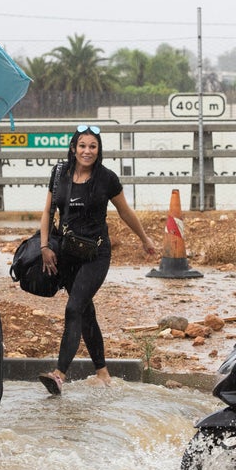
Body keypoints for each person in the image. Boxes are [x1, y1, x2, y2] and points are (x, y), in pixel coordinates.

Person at [35, 125, 158, 395]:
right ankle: (103, 374)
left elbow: (125, 211)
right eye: (82, 146)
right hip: (66, 255)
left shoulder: (107, 179)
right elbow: (47, 211)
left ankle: (59, 374)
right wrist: (45, 246)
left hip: (96, 255)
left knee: (73, 308)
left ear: (99, 150)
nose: (87, 151)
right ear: (73, 148)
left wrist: (144, 238)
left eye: (93, 146)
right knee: (85, 312)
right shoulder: (59, 175)